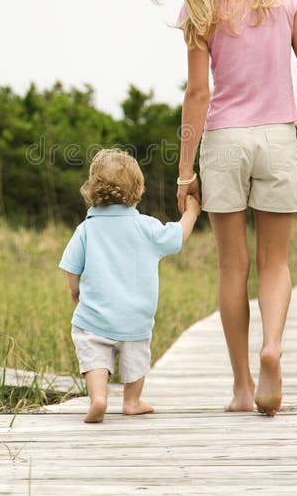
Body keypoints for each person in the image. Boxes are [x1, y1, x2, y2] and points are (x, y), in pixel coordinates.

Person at [151, 0, 297, 416]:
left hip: (225, 141)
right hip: (277, 138)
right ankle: (272, 345)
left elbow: (197, 93)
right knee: (275, 263)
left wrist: (185, 171)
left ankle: (243, 388)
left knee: (233, 266)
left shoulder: (200, 8)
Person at [59, 148, 201, 423]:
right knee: (136, 356)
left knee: (94, 353)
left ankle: (98, 398)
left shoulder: (86, 229)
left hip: (95, 316)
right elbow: (177, 236)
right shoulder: (146, 227)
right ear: (137, 189)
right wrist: (192, 212)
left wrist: (74, 289)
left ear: (93, 188)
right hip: (135, 319)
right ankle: (132, 401)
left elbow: (71, 267)